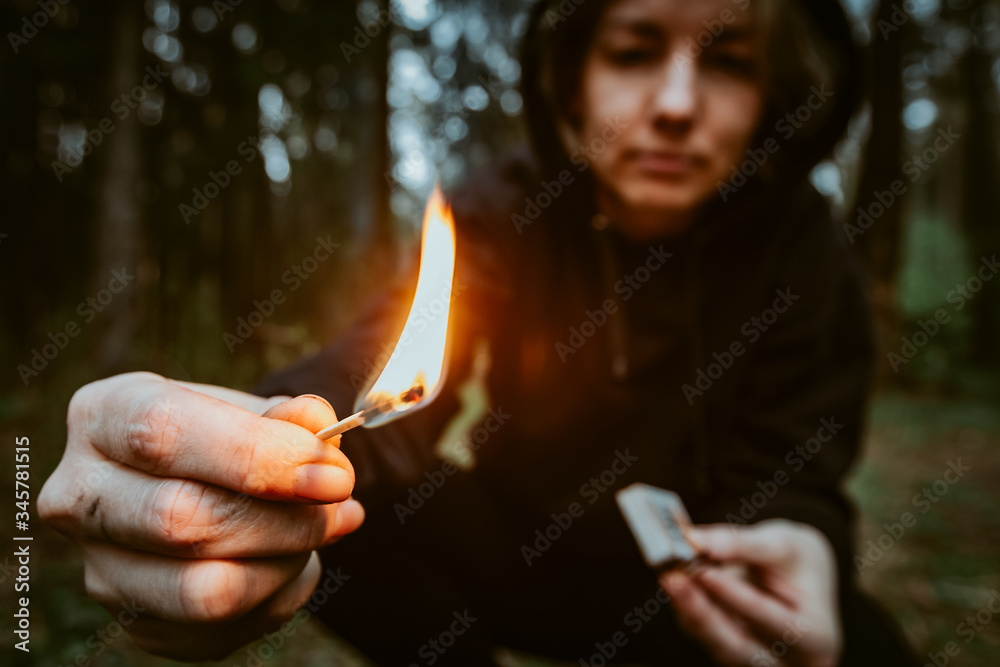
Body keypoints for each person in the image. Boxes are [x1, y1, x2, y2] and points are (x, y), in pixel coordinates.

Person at [39, 0, 921, 665]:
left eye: (729, 60)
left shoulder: (803, 244)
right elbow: (370, 366)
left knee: (863, 645)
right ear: (572, 75)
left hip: (694, 593)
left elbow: (802, 463)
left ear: (775, 96)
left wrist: (799, 537)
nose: (677, 103)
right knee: (345, 509)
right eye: (633, 51)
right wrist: (253, 441)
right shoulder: (503, 209)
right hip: (516, 554)